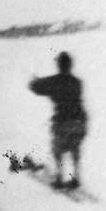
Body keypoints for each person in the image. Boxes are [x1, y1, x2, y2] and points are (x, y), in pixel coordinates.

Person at [29, 51, 87, 189]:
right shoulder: (78, 82)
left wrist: (34, 81)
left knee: (58, 150)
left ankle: (60, 178)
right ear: (70, 65)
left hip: (62, 121)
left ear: (58, 65)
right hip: (80, 120)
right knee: (75, 149)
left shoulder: (54, 81)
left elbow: (36, 88)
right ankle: (76, 177)